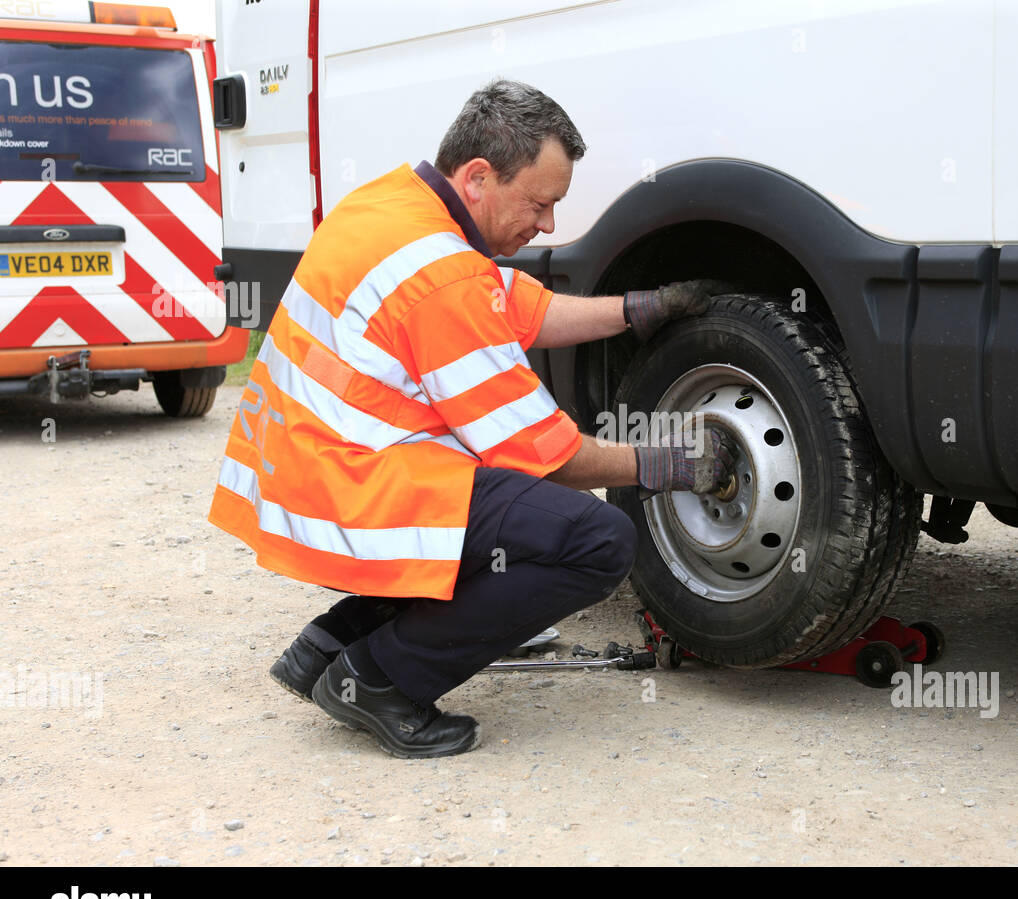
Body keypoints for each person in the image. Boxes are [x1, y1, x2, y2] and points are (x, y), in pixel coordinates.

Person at [208, 79, 734, 758]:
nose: (546, 226)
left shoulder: (389, 204)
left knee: (505, 509)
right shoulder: (444, 274)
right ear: (479, 176)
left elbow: (516, 308)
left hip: (303, 476)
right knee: (594, 539)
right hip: (353, 494)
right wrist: (668, 465)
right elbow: (551, 457)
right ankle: (378, 679)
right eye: (538, 205)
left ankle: (330, 645)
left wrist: (637, 308)